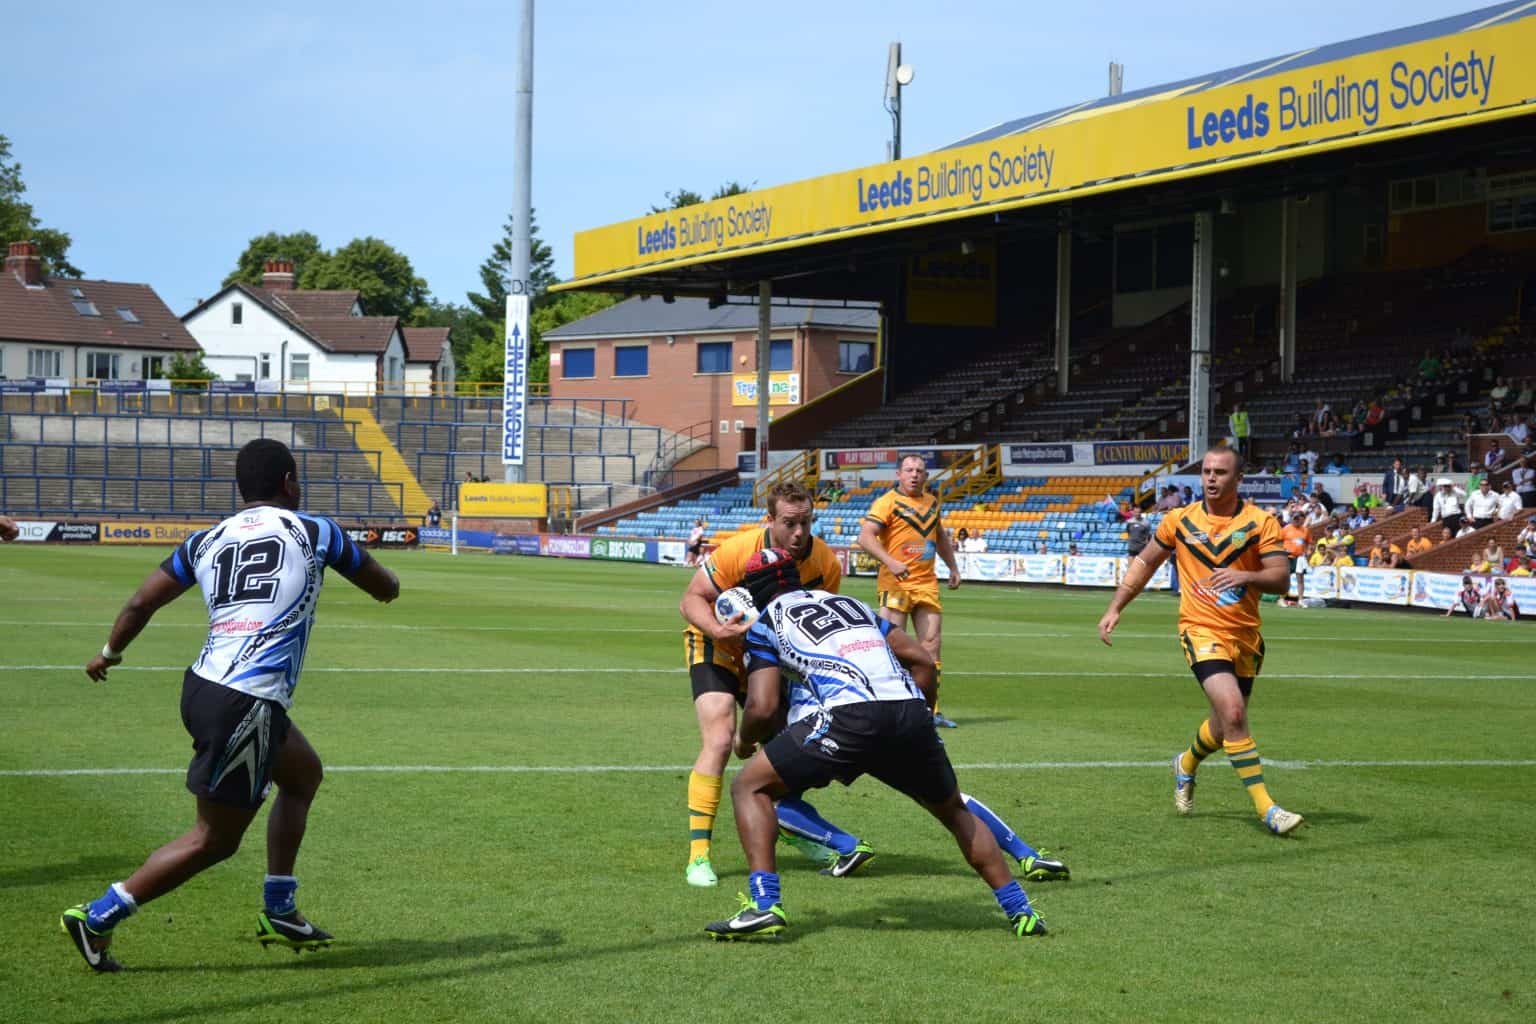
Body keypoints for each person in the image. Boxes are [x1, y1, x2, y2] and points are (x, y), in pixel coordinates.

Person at [60, 439, 401, 973]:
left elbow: (140, 601)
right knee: (213, 840)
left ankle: (280, 909)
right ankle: (98, 916)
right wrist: (386, 585)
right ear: (289, 483)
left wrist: (109, 653)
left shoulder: (206, 539)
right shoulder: (316, 530)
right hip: (247, 699)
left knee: (303, 775)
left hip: (204, 686)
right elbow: (386, 587)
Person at [704, 550, 1049, 941]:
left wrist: (744, 740)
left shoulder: (766, 623)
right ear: (796, 576)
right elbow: (920, 659)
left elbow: (762, 706)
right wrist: (921, 717)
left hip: (849, 718)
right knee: (953, 812)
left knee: (749, 786)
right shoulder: (852, 603)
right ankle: (1021, 911)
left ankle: (765, 906)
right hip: (908, 713)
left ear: (755, 590)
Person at [1097, 447, 1303, 836]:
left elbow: (1280, 577)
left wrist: (1247, 577)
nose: (1211, 478)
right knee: (1235, 712)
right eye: (1206, 471)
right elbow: (1145, 562)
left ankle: (1186, 763)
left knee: (1226, 725)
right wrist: (1116, 607)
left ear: (1238, 479)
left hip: (1245, 635)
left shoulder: (1261, 523)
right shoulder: (1179, 520)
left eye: (1220, 472)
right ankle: (1267, 808)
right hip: (1199, 628)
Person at [857, 454, 962, 729]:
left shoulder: (932, 502)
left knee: (931, 646)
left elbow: (939, 536)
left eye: (919, 470)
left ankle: (931, 711)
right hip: (896, 584)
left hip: (926, 582)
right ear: (898, 474)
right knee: (893, 649)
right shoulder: (886, 502)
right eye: (909, 470)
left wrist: (952, 566)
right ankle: (893, 708)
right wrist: (890, 561)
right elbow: (865, 537)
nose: (914, 474)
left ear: (926, 475)